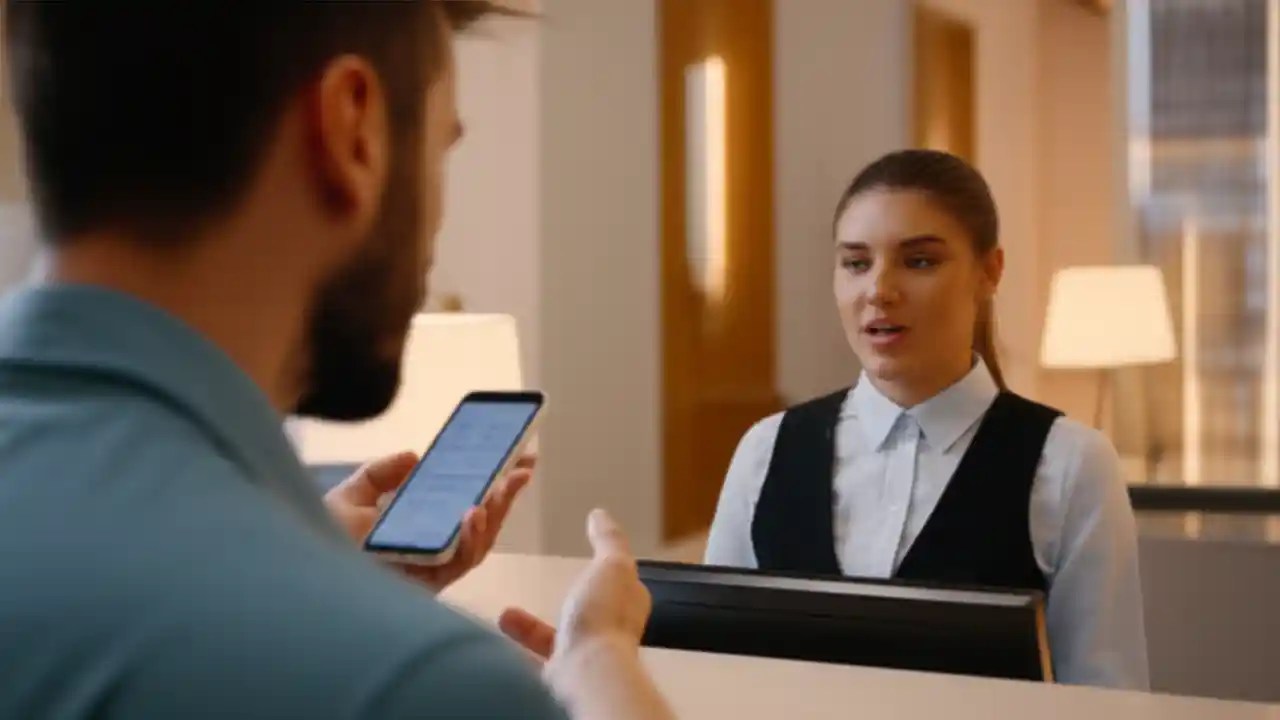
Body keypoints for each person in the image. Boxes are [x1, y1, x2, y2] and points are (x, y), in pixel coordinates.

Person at [0, 2, 671, 718]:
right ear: (354, 130)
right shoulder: (418, 687)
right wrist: (598, 662)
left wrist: (306, 568)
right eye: (443, 149)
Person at [705, 149, 1149, 690]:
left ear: (990, 272)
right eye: (856, 263)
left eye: (919, 262)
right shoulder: (765, 451)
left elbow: (1107, 700)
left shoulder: (1071, 464)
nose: (879, 291)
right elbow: (715, 675)